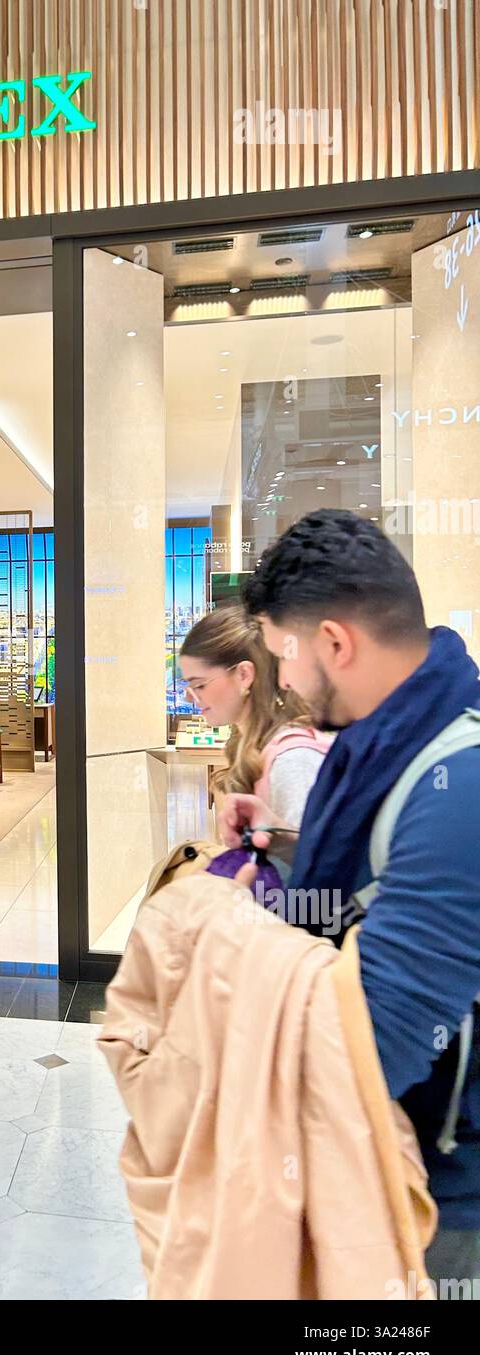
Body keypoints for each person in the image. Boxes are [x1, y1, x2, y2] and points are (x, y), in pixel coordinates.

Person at [219, 509, 480, 1287]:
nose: (284, 682)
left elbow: (376, 1044)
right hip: (379, 1153)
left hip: (433, 1186)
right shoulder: (383, 738)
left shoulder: (456, 782)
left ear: (334, 642)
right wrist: (278, 849)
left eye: (283, 659)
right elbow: (362, 896)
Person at [179, 604, 330, 831]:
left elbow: (314, 860)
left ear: (243, 675)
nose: (190, 698)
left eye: (199, 685)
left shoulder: (291, 760)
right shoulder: (261, 749)